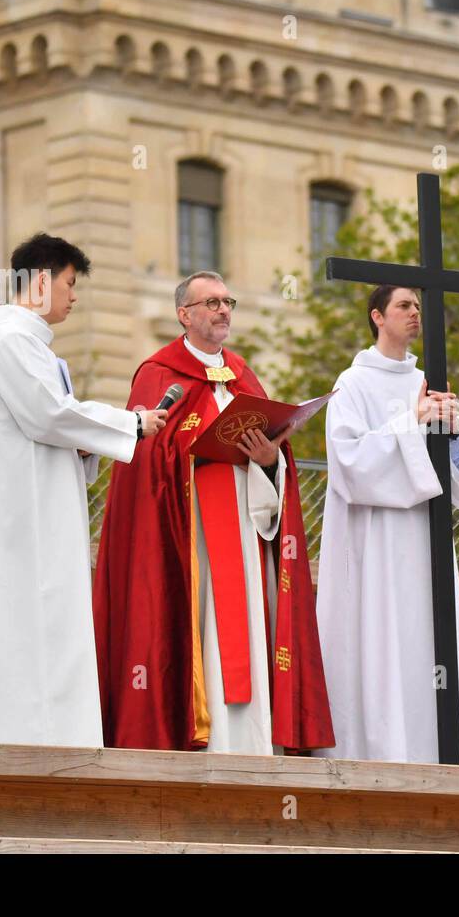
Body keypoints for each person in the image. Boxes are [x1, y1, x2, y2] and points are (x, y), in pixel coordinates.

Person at [0, 232, 168, 747]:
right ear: (40, 281)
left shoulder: (31, 347)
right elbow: (47, 415)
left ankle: (55, 741)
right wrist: (131, 422)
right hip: (19, 521)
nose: (73, 296)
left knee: (47, 626)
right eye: (69, 282)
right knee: (19, 624)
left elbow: (50, 425)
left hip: (40, 514)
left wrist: (85, 444)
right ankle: (18, 742)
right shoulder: (10, 342)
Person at [93, 271, 332, 754]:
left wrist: (269, 461)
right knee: (201, 630)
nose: (224, 311)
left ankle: (252, 741)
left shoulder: (244, 374)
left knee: (248, 622)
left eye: (228, 302)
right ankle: (198, 734)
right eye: (212, 303)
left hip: (245, 525)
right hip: (191, 533)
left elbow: (276, 452)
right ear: (184, 314)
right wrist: (192, 451)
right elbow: (145, 462)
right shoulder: (157, 374)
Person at [312, 285, 459, 765]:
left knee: (426, 642)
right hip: (376, 542)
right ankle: (377, 755)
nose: (414, 314)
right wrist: (412, 422)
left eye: (417, 307)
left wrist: (450, 431)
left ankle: (438, 755)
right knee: (380, 640)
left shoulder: (427, 381)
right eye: (404, 307)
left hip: (424, 541)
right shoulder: (353, 383)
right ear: (377, 317)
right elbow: (348, 463)